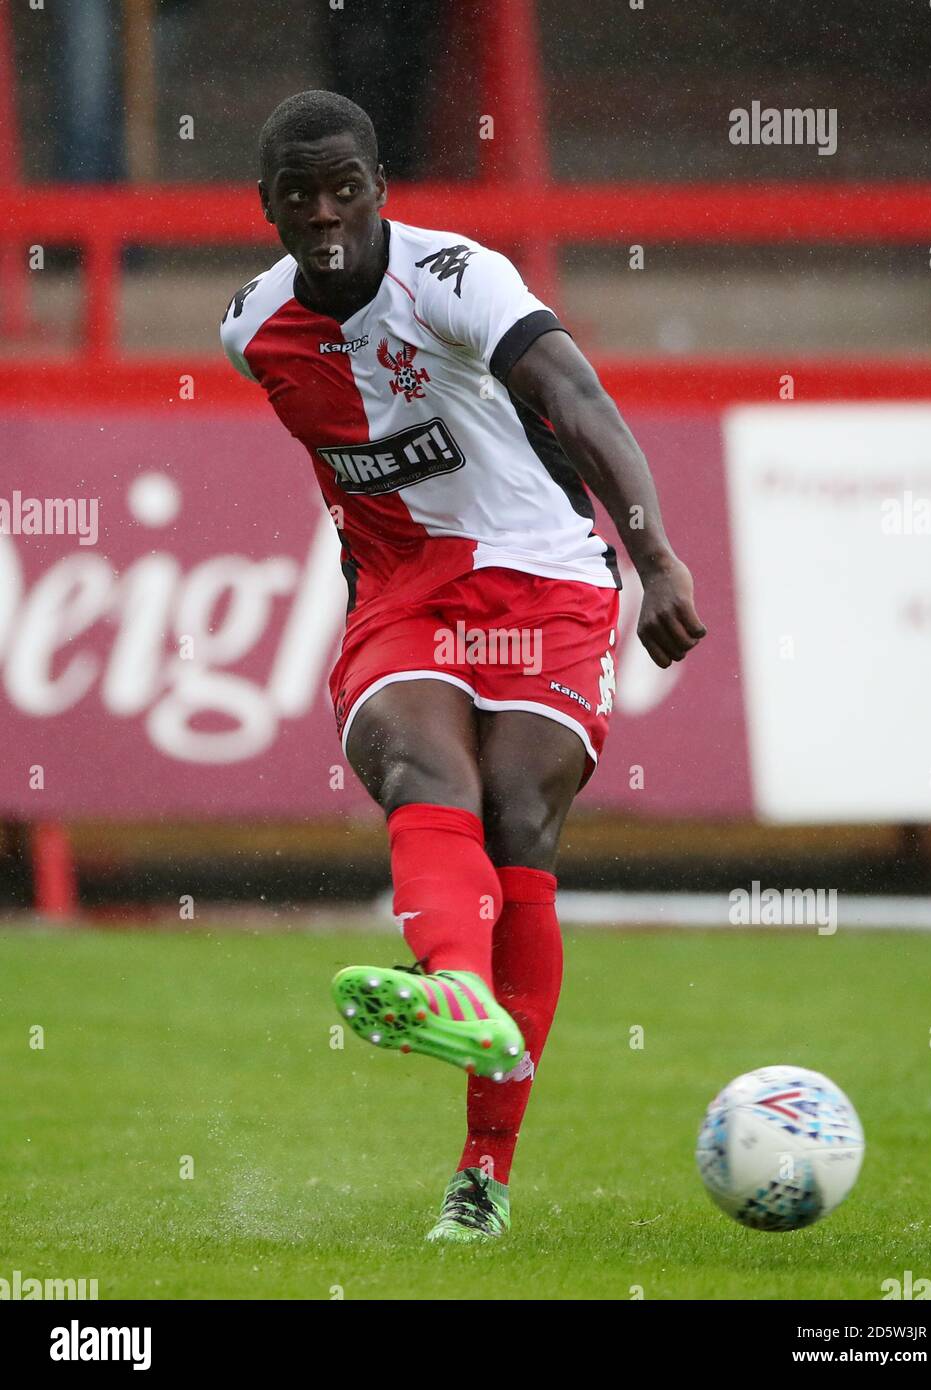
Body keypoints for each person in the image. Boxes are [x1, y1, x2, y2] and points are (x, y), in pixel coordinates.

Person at [220, 90, 706, 1242]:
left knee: (517, 815)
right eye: (301, 196)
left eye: (347, 188)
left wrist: (657, 559)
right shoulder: (251, 331)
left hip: (544, 572)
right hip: (398, 592)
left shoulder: (456, 279)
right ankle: (456, 984)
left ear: (381, 185)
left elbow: (574, 399)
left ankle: (481, 1173)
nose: (327, 214)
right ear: (269, 207)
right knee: (413, 761)